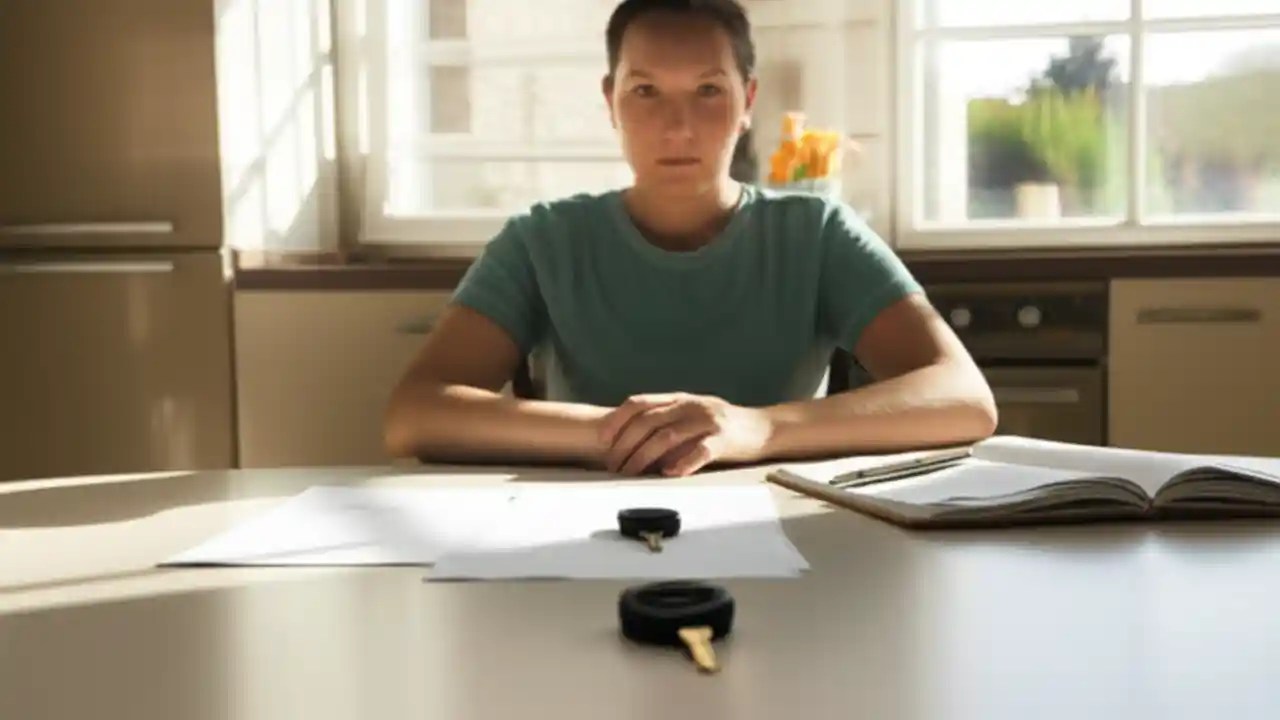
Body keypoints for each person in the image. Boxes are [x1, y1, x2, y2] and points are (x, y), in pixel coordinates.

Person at [384, 0, 997, 477]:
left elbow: (964, 398)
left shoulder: (817, 233)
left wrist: (755, 429)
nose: (677, 127)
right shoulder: (541, 239)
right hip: (589, 530)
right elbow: (415, 413)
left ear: (748, 100)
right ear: (611, 101)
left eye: (708, 91)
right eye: (646, 91)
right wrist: (621, 434)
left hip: (788, 532)